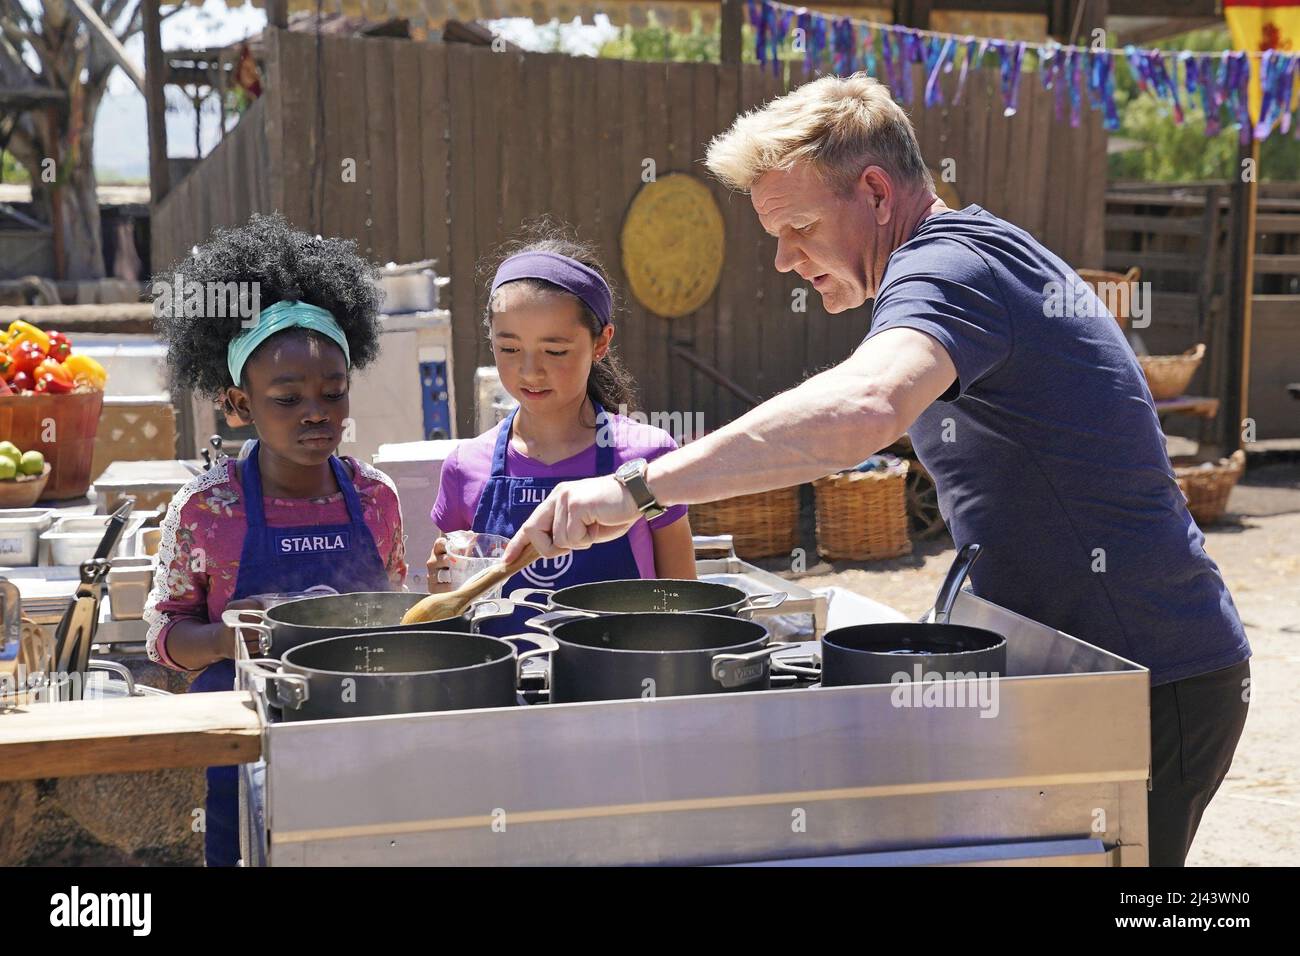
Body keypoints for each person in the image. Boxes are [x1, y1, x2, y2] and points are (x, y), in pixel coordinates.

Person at [503, 75, 1250, 867]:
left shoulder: (948, 268)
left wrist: (637, 488)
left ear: (874, 190)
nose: (786, 259)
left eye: (798, 227)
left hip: (1150, 675)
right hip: (1094, 665)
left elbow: (862, 410)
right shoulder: (964, 252)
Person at [144, 213, 407, 865]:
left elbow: (402, 621)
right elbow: (164, 637)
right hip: (242, 745)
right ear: (238, 405)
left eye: (334, 393)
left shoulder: (375, 499)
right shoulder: (210, 510)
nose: (317, 411)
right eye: (287, 399)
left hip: (361, 735)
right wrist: (236, 635)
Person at [428, 222, 695, 633]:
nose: (530, 370)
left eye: (555, 350)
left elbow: (685, 601)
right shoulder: (465, 466)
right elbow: (452, 602)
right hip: (505, 688)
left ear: (601, 343)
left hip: (622, 686)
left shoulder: (646, 457)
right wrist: (441, 581)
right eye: (509, 348)